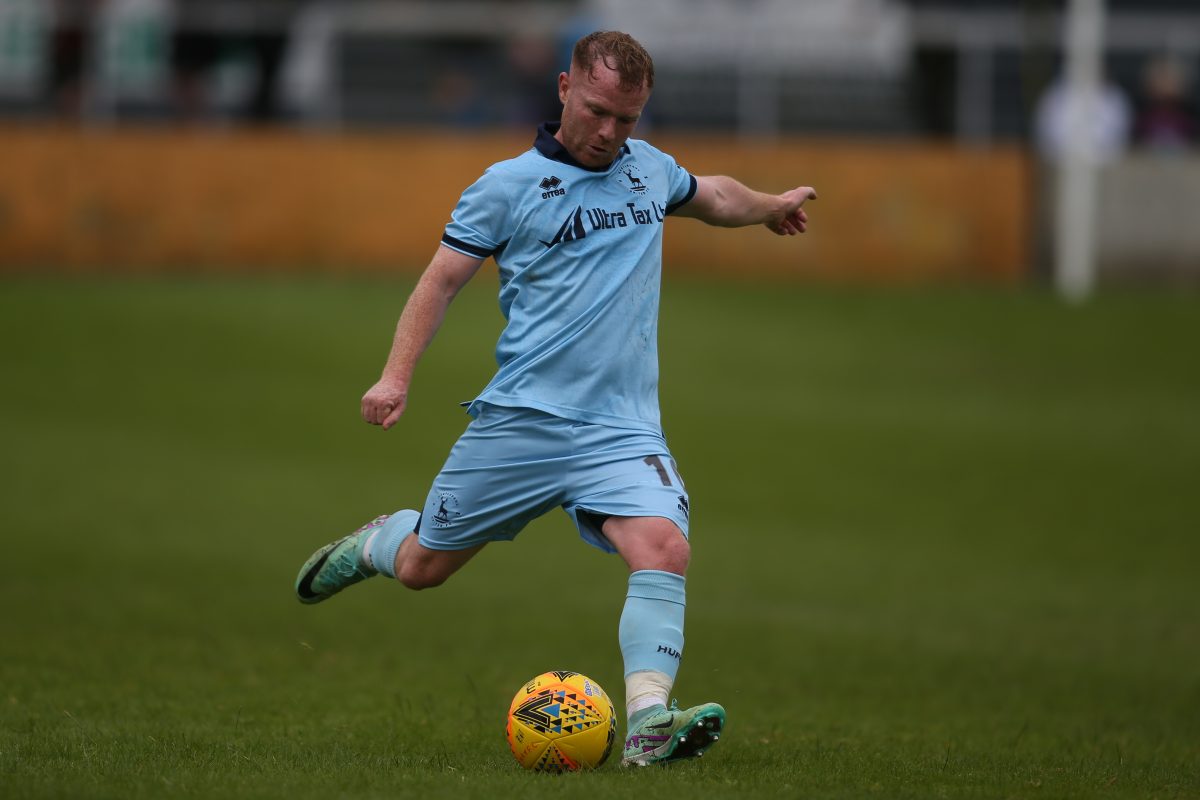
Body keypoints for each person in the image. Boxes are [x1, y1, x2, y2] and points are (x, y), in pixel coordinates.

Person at [295, 30, 816, 768]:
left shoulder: (648, 170)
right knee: (422, 569)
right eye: (599, 111)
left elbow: (712, 194)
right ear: (566, 88)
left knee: (664, 548)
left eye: (628, 119)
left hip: (620, 430)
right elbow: (440, 282)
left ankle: (647, 725)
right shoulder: (505, 186)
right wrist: (395, 375)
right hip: (521, 424)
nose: (610, 133)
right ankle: (380, 539)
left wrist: (768, 206)